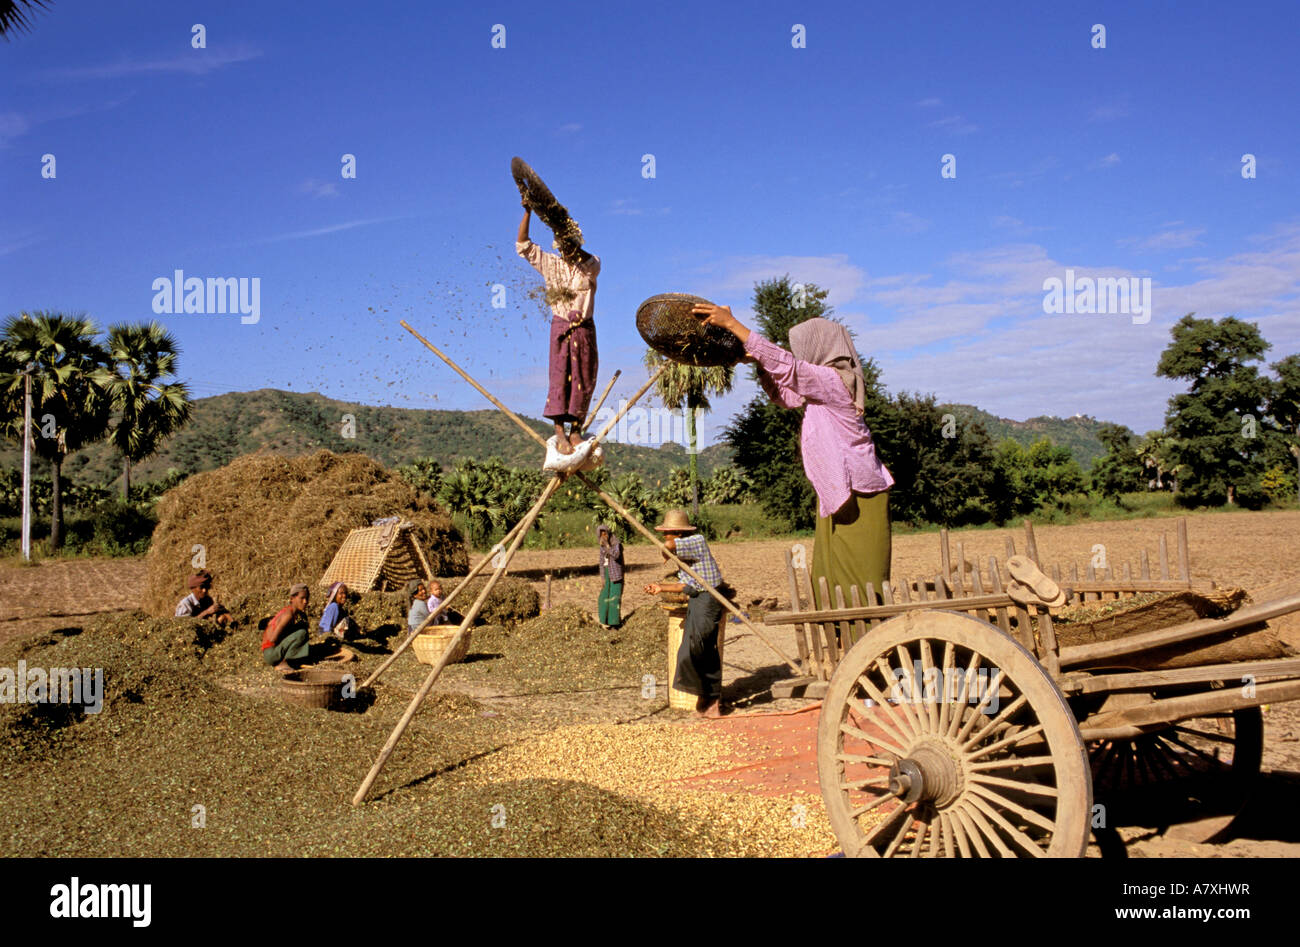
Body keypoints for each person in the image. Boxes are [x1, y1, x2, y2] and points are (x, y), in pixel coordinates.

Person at [695, 304, 894, 607]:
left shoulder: (835, 380)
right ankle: (843, 638)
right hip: (837, 490)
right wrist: (759, 365)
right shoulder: (821, 389)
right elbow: (787, 396)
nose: (799, 355)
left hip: (859, 490)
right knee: (833, 572)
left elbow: (791, 368)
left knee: (859, 577)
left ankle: (866, 640)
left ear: (820, 347)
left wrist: (734, 325)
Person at [516, 198, 600, 455]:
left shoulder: (590, 265)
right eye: (564, 244)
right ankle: (560, 433)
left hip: (584, 328)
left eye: (571, 243)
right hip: (561, 327)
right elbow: (523, 246)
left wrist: (570, 235)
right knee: (559, 378)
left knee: (584, 380)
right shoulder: (551, 264)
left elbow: (591, 260)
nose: (567, 248)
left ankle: (576, 431)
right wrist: (528, 212)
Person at [642, 509, 726, 718]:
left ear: (678, 533)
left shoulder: (696, 541)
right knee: (689, 652)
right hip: (698, 599)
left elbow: (668, 547)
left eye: (666, 533)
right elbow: (685, 585)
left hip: (709, 600)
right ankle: (704, 700)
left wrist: (665, 551)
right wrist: (661, 587)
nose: (664, 537)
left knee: (701, 648)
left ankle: (712, 700)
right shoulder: (685, 555)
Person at [261, 584, 311, 672]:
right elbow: (273, 639)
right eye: (302, 598)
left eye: (307, 598)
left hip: (270, 652)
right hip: (271, 653)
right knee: (302, 633)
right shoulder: (289, 615)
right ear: (292, 598)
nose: (305, 601)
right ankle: (284, 663)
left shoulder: (292, 612)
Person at [596, 524, 624, 629]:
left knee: (614, 597)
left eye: (605, 533)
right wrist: (602, 577)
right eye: (601, 534)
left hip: (615, 573)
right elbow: (601, 562)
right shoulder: (601, 546)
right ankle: (604, 621)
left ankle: (615, 623)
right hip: (607, 572)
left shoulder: (616, 543)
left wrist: (608, 546)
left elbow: (616, 555)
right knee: (603, 596)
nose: (604, 535)